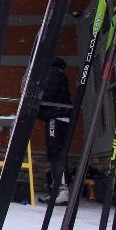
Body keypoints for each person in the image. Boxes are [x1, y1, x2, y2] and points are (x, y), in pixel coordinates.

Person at [38, 57, 73, 205]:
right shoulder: (61, 77)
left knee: (55, 154)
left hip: (56, 117)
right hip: (61, 117)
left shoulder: (53, 75)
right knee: (58, 154)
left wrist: (35, 107)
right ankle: (58, 189)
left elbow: (46, 96)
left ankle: (62, 190)